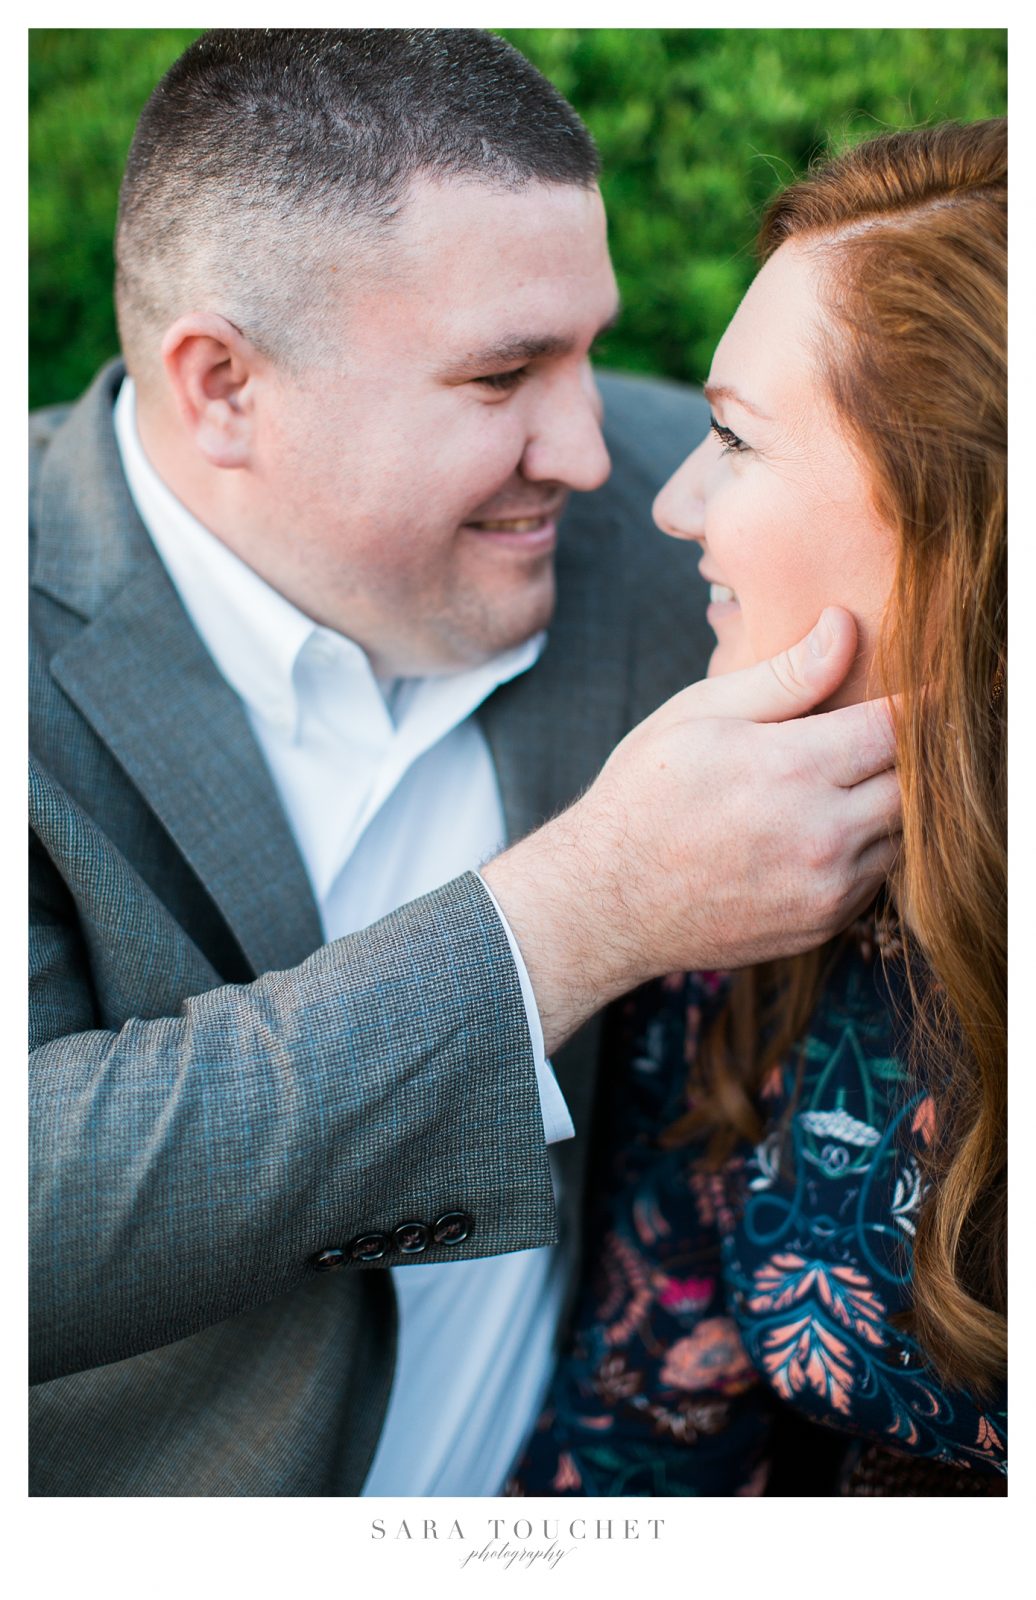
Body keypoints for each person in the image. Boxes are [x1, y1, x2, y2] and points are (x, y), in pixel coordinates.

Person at [29, 29, 900, 1497]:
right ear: (223, 385)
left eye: (589, 348)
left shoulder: (686, 520)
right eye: (503, 375)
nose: (588, 446)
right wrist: (585, 910)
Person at [510, 118, 1007, 1497]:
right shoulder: (757, 896)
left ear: (969, 513)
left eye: (733, 436)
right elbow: (640, 1428)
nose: (670, 499)